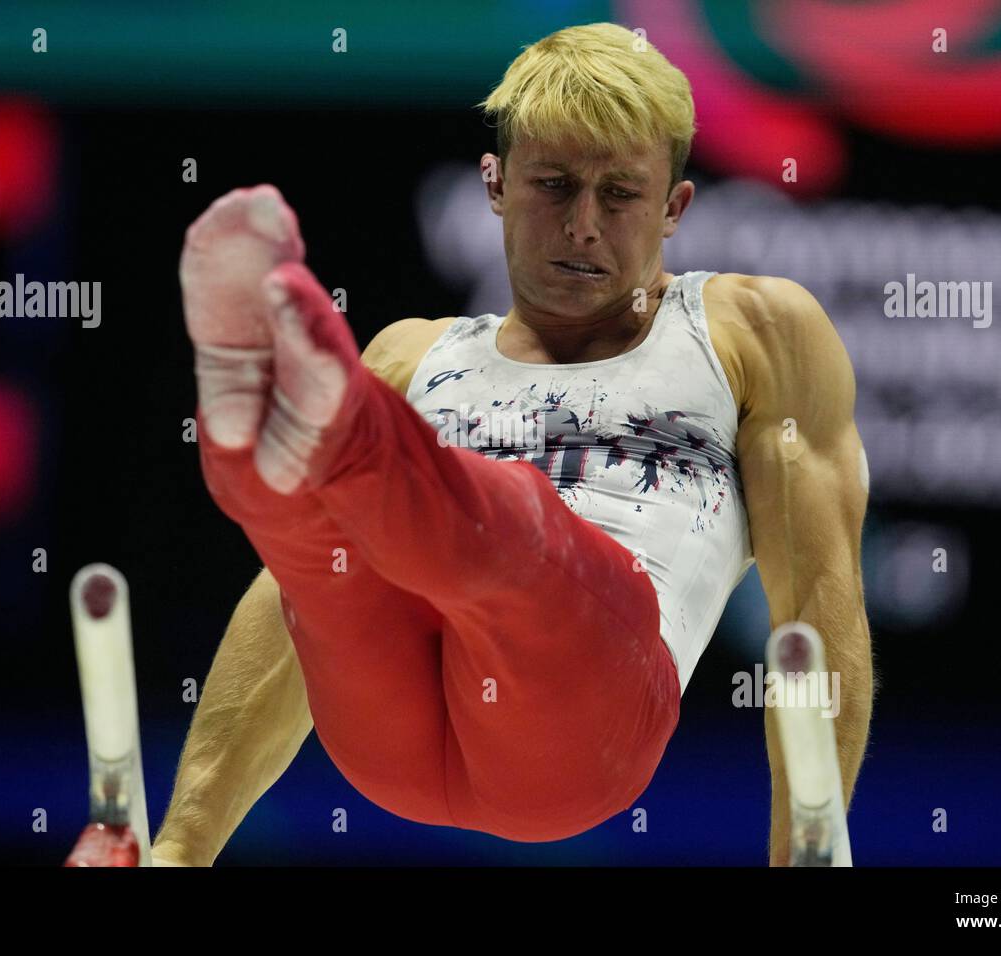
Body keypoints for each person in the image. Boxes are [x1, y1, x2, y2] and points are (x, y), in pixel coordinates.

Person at [153, 21, 873, 865]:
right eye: (555, 185)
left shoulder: (752, 331)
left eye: (620, 195)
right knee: (317, 551)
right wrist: (179, 849)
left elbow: (818, 604)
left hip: (583, 730)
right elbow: (291, 605)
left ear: (675, 207)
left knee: (516, 533)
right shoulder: (414, 353)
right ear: (494, 184)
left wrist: (811, 847)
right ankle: (262, 436)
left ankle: (322, 426)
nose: (582, 226)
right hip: (389, 740)